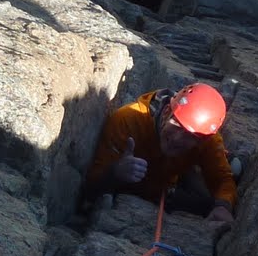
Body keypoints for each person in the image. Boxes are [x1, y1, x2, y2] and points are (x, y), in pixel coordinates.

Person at [82, 82, 235, 224]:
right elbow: (90, 187)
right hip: (135, 188)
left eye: (190, 137)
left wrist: (223, 205)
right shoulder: (127, 121)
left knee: (212, 193)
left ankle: (206, 166)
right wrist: (115, 171)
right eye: (176, 125)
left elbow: (223, 179)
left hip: (166, 186)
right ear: (167, 111)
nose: (176, 139)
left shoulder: (207, 139)